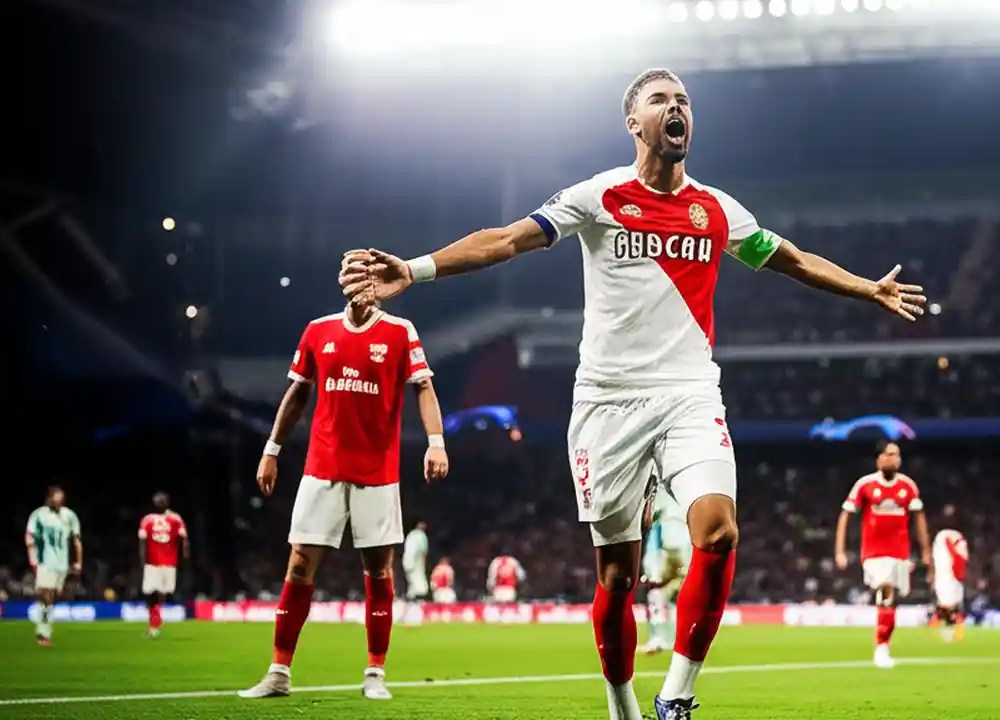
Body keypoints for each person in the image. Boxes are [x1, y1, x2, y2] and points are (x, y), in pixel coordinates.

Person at [338, 67, 925, 720]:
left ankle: (677, 693)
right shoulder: (599, 196)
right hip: (607, 403)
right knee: (618, 576)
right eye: (660, 99)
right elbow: (504, 240)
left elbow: (793, 258)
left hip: (689, 393)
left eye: (684, 100)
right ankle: (623, 707)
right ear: (634, 122)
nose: (677, 107)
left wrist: (868, 287)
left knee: (719, 532)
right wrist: (415, 269)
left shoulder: (718, 210)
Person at [238, 291, 449, 701]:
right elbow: (297, 393)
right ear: (341, 280)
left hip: (377, 470)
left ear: (377, 282)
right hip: (322, 467)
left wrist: (436, 442)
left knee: (379, 570)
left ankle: (375, 673)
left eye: (366, 271)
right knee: (299, 563)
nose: (358, 280)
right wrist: (271, 450)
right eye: (350, 270)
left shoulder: (400, 331)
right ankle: (278, 672)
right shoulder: (319, 330)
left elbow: (423, 386)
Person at [834, 441, 932, 669]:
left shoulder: (908, 486)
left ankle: (884, 644)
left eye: (897, 454)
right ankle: (880, 648)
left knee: (891, 600)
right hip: (874, 553)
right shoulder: (865, 485)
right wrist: (840, 550)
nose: (894, 458)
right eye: (889, 454)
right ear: (879, 459)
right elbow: (845, 515)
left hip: (900, 553)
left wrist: (925, 551)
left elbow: (919, 518)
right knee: (886, 588)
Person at [24, 486, 82, 646]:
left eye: (60, 498)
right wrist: (33, 560)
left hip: (61, 563)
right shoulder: (38, 515)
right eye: (56, 497)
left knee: (53, 596)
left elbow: (76, 540)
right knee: (46, 594)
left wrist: (78, 562)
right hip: (45, 561)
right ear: (49, 498)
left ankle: (44, 627)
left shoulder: (69, 515)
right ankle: (43, 631)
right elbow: (29, 538)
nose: (58, 501)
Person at [640, 481, 691, 655]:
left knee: (657, 592)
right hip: (677, 542)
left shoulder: (663, 492)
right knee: (672, 597)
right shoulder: (682, 493)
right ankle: (674, 639)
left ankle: (659, 638)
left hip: (666, 546)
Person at [138, 491, 188, 638]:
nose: (159, 503)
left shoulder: (175, 519)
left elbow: (184, 539)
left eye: (162, 500)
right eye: (157, 500)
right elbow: (142, 542)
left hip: (169, 563)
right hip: (152, 563)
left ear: (167, 502)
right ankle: (154, 621)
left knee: (163, 592)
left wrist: (185, 557)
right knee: (150, 592)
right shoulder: (147, 520)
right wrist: (141, 561)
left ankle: (155, 619)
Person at [931, 527, 968, 643]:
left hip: (948, 543)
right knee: (949, 603)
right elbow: (959, 565)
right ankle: (939, 626)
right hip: (949, 543)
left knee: (948, 603)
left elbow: (958, 564)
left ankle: (937, 626)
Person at [402, 521, 430, 601]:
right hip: (414, 560)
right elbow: (422, 550)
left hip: (415, 560)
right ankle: (415, 596)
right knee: (416, 580)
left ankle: (416, 596)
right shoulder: (415, 535)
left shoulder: (412, 535)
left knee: (416, 580)